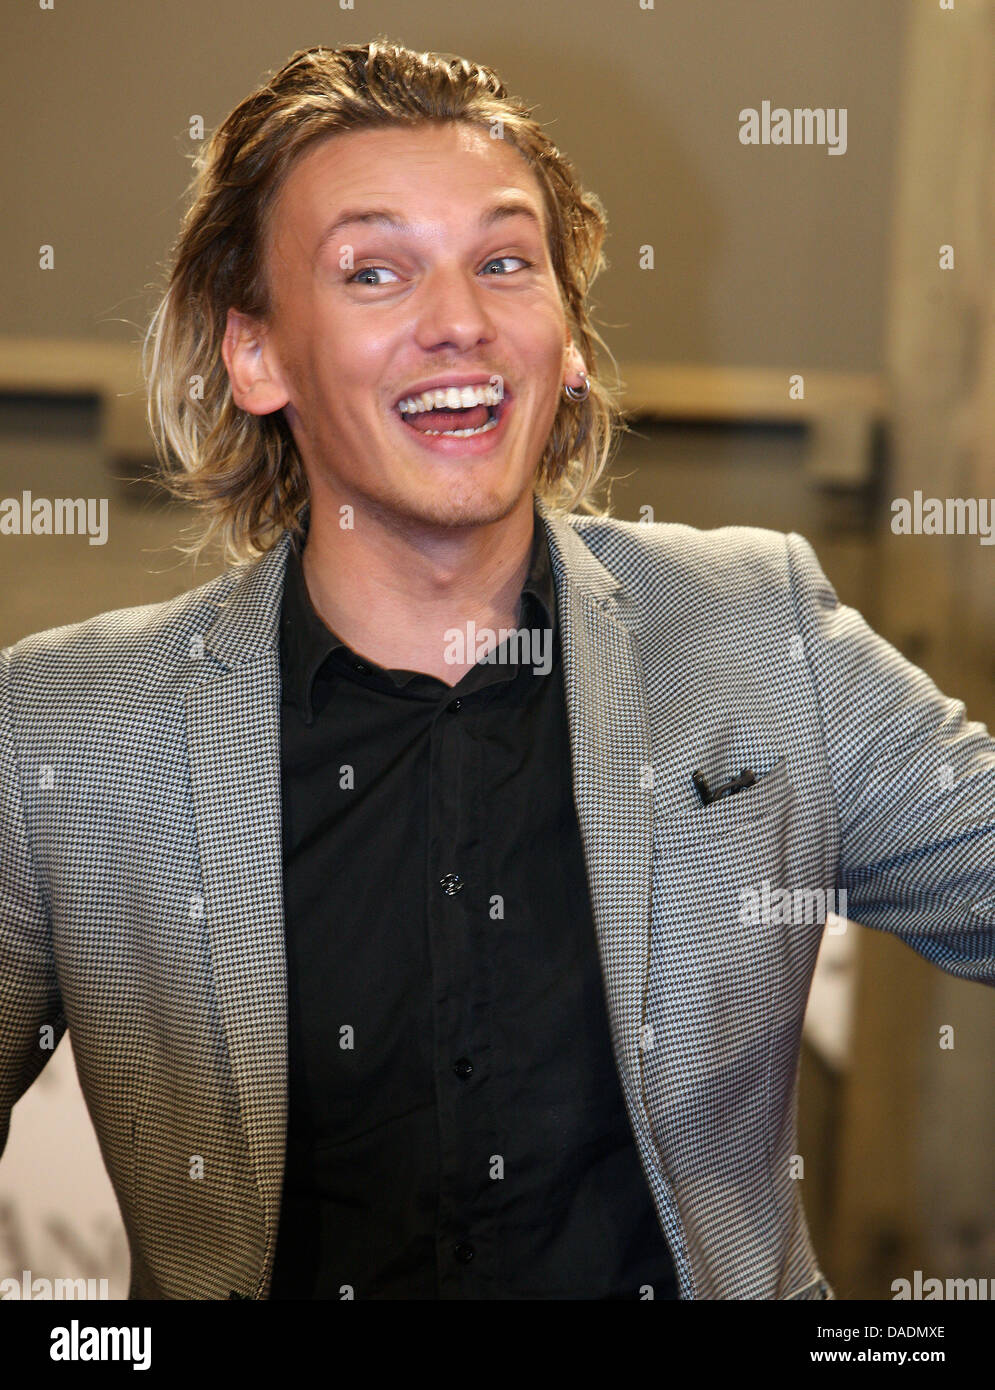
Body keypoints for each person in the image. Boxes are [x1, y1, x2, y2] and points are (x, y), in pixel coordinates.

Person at [2, 39, 993, 1302]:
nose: (458, 319)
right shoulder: (62, 732)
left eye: (504, 262)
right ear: (254, 356)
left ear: (567, 338)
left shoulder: (761, 629)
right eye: (374, 271)